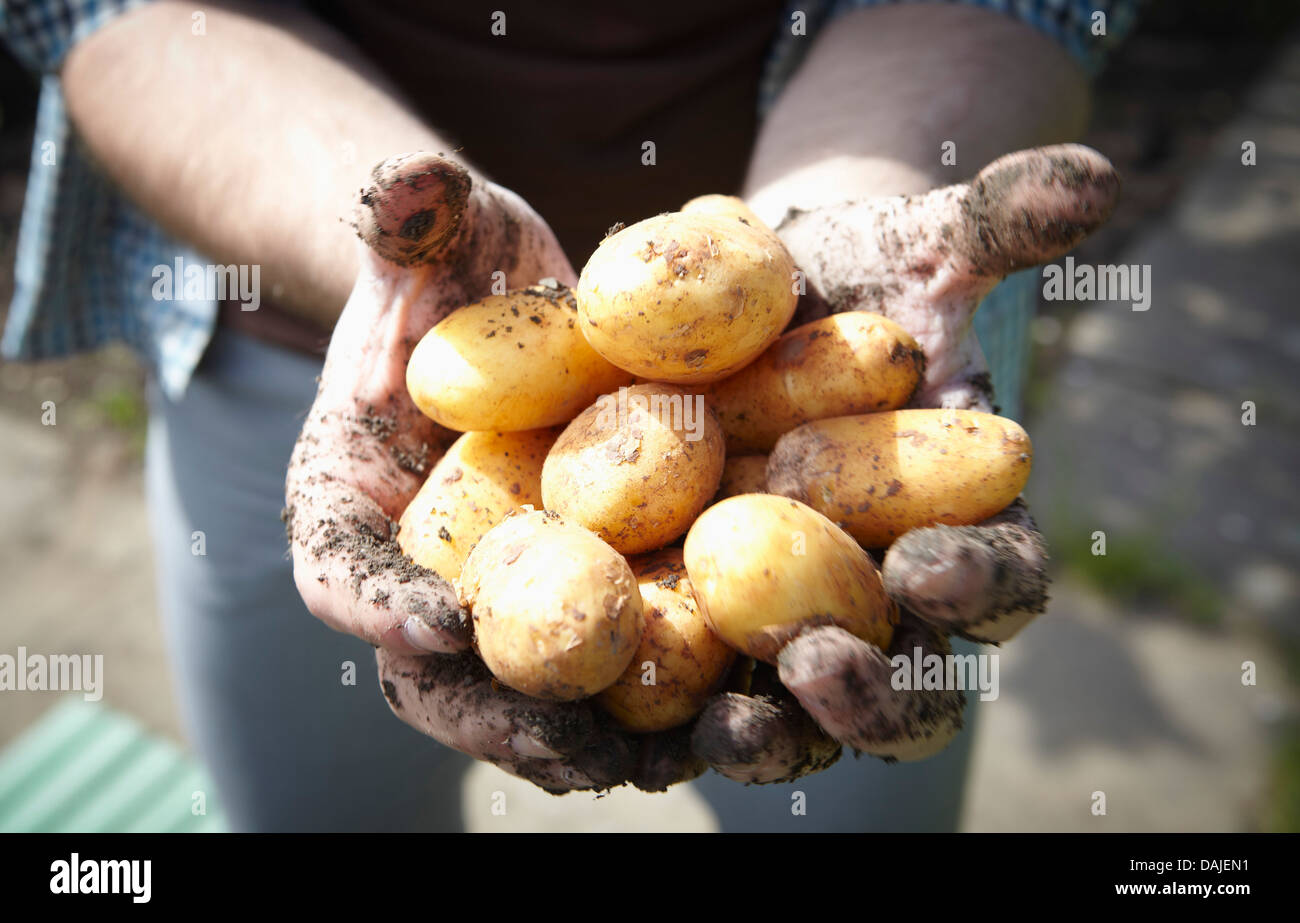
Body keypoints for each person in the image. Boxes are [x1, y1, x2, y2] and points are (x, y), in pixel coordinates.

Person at [2, 0, 1133, 831]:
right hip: (290, 360)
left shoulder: (815, 375)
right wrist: (397, 264)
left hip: (846, 314)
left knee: (861, 728)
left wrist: (823, 233)